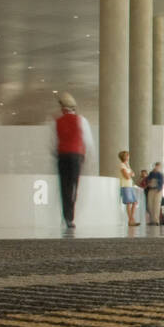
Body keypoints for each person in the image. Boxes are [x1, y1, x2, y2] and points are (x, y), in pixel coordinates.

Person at [52, 92, 94, 230]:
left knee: (64, 187)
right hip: (76, 156)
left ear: (63, 108)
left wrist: (56, 153)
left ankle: (67, 217)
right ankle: (71, 217)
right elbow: (87, 140)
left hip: (62, 156)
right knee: (74, 186)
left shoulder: (57, 122)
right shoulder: (81, 120)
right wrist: (87, 156)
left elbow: (53, 143)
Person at [118, 150, 140, 226]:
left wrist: (130, 174)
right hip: (125, 186)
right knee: (129, 203)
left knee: (134, 202)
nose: (128, 157)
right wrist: (130, 174)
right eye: (127, 155)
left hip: (130, 185)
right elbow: (127, 176)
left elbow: (132, 174)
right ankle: (131, 220)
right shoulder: (122, 165)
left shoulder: (127, 165)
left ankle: (131, 219)